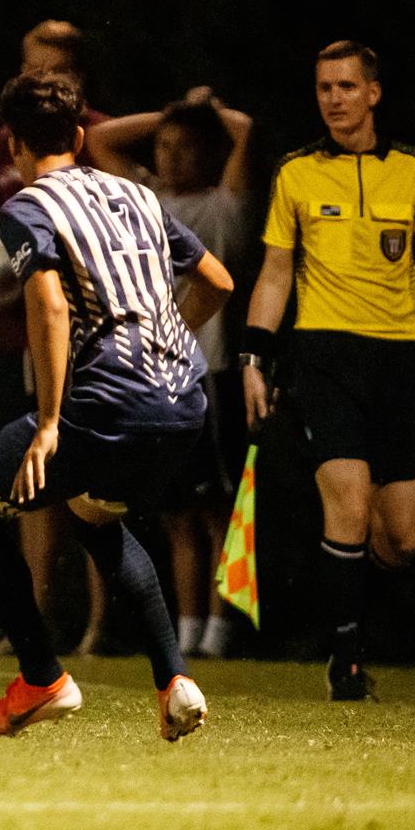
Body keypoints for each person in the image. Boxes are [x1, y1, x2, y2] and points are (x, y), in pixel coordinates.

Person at [0, 71, 233, 741]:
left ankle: (41, 678)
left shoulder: (28, 207)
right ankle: (174, 680)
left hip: (109, 403)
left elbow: (46, 303)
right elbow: (217, 279)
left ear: (13, 145)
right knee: (94, 516)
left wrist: (49, 422)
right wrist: (167, 347)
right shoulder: (137, 194)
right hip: (183, 403)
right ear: (78, 136)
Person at [240, 41, 415, 701]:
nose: (334, 98)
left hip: (398, 360)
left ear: (373, 93)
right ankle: (346, 663)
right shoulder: (296, 173)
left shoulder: (412, 170)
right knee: (347, 500)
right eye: (324, 88)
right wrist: (254, 359)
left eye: (346, 86)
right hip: (323, 356)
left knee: (402, 535)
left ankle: (353, 576)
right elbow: (275, 272)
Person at [87, 88, 254, 656]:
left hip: (211, 368)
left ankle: (222, 630)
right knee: (176, 513)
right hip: (155, 368)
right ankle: (187, 632)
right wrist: (170, 113)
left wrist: (205, 111)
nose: (170, 155)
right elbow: (100, 139)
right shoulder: (144, 197)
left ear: (208, 153)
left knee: (220, 510)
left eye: (185, 147)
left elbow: (244, 129)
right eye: (163, 145)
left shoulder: (221, 204)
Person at [0, 20, 114, 656]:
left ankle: (99, 626)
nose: (34, 82)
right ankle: (31, 620)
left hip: (92, 332)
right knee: (36, 477)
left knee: (92, 481)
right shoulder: (4, 144)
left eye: (48, 72)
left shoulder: (94, 141)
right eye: (27, 68)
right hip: (31, 328)